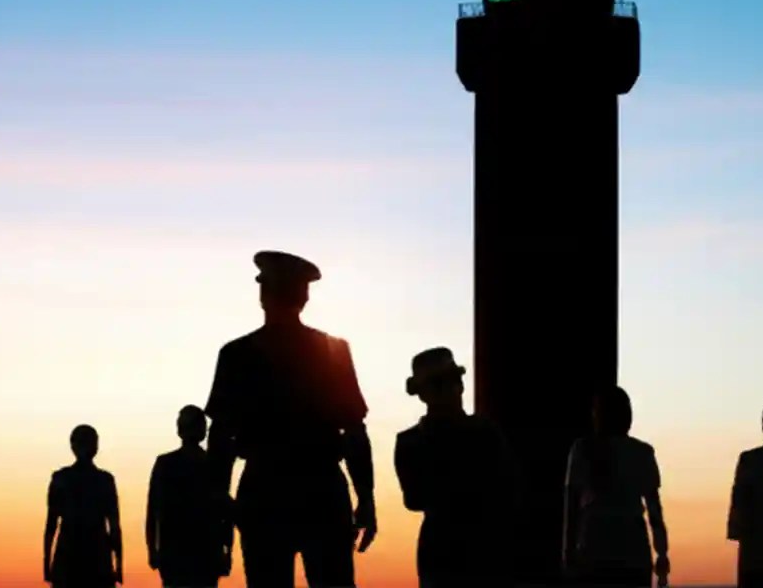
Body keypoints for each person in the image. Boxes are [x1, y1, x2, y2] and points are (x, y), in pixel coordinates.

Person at [204, 250, 376, 588]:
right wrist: (366, 497)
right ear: (304, 296)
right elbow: (355, 430)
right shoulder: (333, 351)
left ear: (263, 295)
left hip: (267, 492)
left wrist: (218, 501)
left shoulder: (237, 355)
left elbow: (221, 435)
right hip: (320, 490)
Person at [394, 346, 518, 588]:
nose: (451, 390)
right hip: (462, 552)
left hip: (470, 550)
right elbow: (415, 499)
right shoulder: (485, 433)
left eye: (452, 382)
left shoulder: (412, 441)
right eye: (441, 384)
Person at [563, 386, 670, 587]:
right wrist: (662, 552)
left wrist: (567, 554)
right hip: (634, 551)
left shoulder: (582, 449)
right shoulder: (643, 453)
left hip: (593, 549)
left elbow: (571, 509)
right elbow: (655, 511)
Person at [146, 405, 233, 588]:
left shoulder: (166, 464)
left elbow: (153, 511)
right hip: (196, 552)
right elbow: (225, 512)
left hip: (186, 552)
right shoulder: (211, 465)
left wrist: (153, 550)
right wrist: (227, 551)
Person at [44, 425, 123, 588]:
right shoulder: (104, 480)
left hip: (73, 556)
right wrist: (119, 564)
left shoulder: (61, 479)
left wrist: (47, 564)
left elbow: (51, 525)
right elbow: (114, 527)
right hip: (94, 557)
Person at [728, 400, 763, 588]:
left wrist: (735, 529)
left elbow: (738, 502)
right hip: (754, 552)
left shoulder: (750, 460)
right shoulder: (749, 460)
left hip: (755, 553)